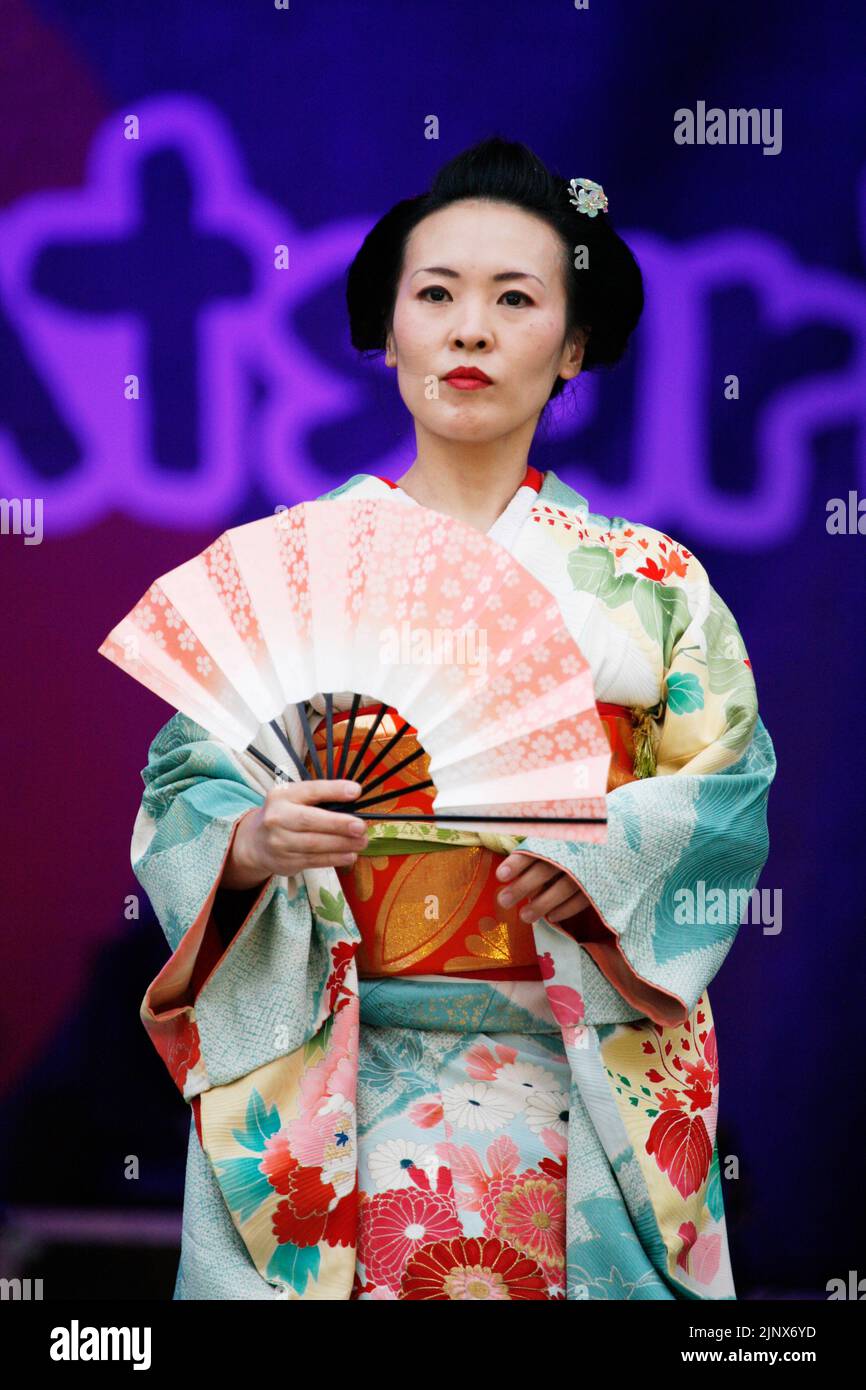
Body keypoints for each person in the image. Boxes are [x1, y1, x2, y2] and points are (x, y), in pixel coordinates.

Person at [131, 136, 776, 1300]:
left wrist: (607, 860)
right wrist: (253, 843)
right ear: (387, 332)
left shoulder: (652, 584)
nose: (468, 330)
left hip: (572, 1076)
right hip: (334, 1071)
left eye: (514, 299)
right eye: (433, 295)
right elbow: (187, 784)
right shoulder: (293, 567)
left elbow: (724, 795)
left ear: (572, 345)